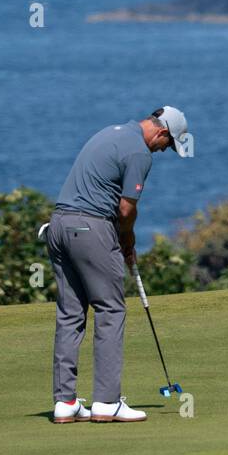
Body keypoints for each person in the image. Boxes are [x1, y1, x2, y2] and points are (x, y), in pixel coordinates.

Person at [44, 106, 193, 423]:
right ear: (162, 132)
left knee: (71, 313)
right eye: (168, 144)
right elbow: (126, 210)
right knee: (110, 310)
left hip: (58, 226)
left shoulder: (110, 131)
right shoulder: (140, 153)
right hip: (91, 229)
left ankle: (65, 402)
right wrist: (128, 242)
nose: (164, 150)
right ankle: (107, 402)